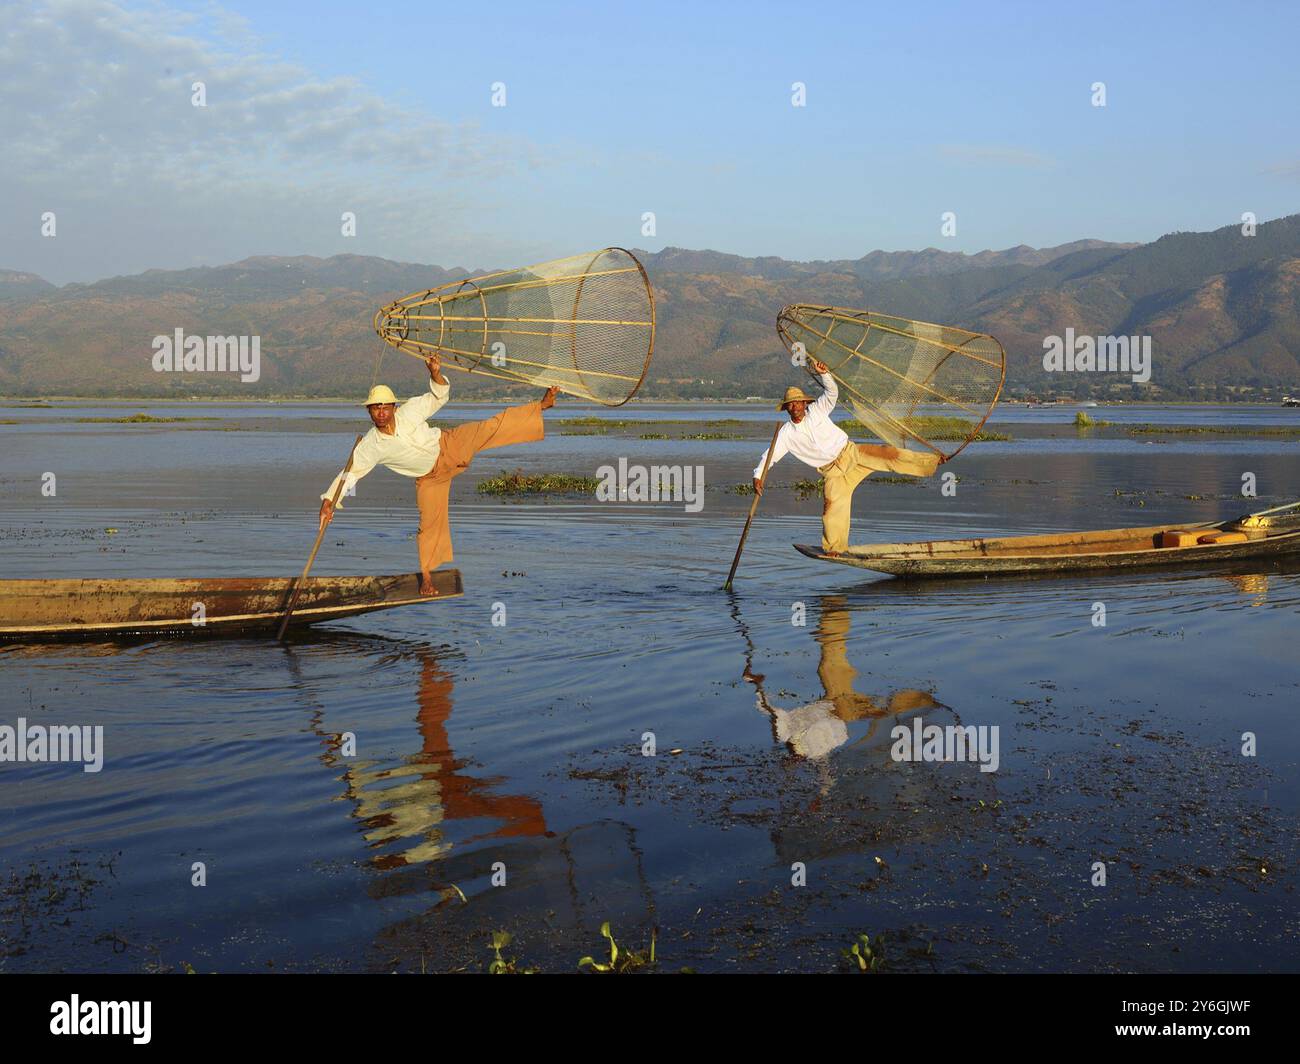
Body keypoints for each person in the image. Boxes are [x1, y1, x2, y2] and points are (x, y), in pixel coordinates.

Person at [318, 353, 558, 594]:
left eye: (385, 407)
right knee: (429, 525)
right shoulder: (370, 445)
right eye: (375, 408)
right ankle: (427, 579)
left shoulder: (409, 411)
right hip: (430, 478)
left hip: (447, 445)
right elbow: (350, 475)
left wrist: (434, 373)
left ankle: (542, 406)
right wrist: (329, 502)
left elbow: (439, 396)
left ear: (394, 407)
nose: (381, 412)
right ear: (369, 411)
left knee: (489, 427)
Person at [753, 359, 942, 555]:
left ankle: (932, 462)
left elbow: (832, 394)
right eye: (791, 405)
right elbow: (771, 455)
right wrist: (758, 476)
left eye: (797, 403)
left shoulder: (816, 411)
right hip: (833, 472)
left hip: (851, 454)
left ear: (803, 403)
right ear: (787, 409)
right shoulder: (786, 433)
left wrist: (824, 374)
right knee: (831, 508)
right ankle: (835, 548)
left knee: (890, 455)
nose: (795, 407)